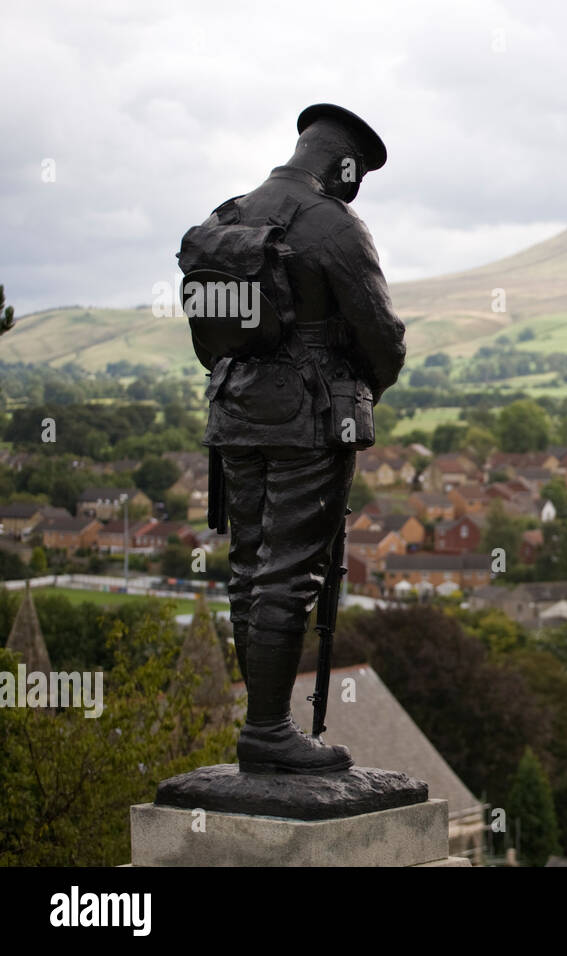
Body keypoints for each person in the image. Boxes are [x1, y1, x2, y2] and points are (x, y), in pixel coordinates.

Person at [187, 104, 406, 773]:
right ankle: (268, 733)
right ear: (345, 167)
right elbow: (382, 338)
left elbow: (211, 336)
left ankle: (264, 725)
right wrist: (357, 387)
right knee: (290, 571)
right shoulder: (331, 225)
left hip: (235, 409)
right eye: (357, 173)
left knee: (249, 568)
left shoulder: (229, 216)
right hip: (308, 415)